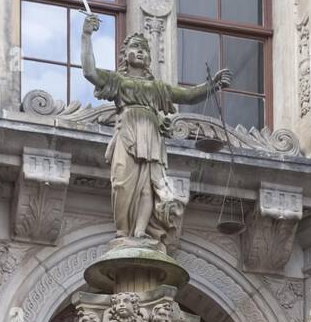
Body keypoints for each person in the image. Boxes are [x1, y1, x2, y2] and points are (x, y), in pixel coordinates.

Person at [82, 15, 232, 243]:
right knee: (122, 183)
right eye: (135, 47)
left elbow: (188, 95)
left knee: (147, 188)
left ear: (150, 58)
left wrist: (212, 85)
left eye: (144, 49)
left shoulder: (157, 87)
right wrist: (86, 35)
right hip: (127, 132)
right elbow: (89, 72)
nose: (140, 52)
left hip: (151, 136)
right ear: (125, 55)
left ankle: (141, 232)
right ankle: (123, 232)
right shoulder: (118, 81)